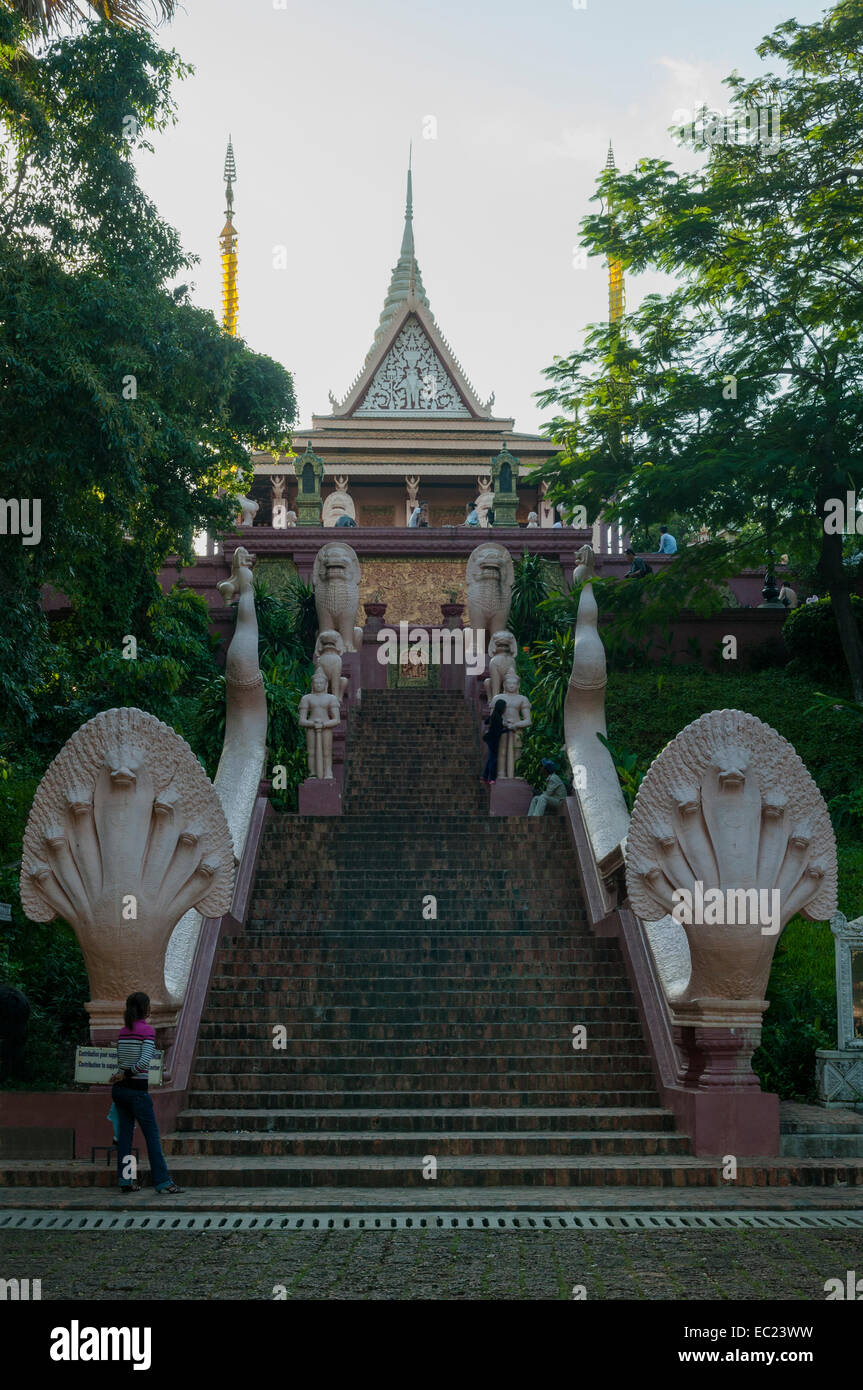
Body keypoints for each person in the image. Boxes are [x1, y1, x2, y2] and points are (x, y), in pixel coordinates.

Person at [110, 992, 183, 1195]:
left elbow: (122, 1061)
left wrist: (120, 1074)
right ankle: (163, 1181)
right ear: (146, 1009)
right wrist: (126, 1073)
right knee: (152, 1137)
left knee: (125, 1137)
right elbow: (143, 1062)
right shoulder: (147, 1032)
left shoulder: (123, 1032)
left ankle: (126, 1179)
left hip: (120, 1091)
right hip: (137, 1092)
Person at [481, 698, 507, 785]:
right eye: (504, 707)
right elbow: (498, 732)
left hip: (489, 739)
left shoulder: (494, 715)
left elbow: (486, 722)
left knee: (490, 758)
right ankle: (491, 778)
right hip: (493, 740)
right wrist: (508, 730)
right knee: (493, 760)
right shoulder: (498, 718)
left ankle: (484, 776)